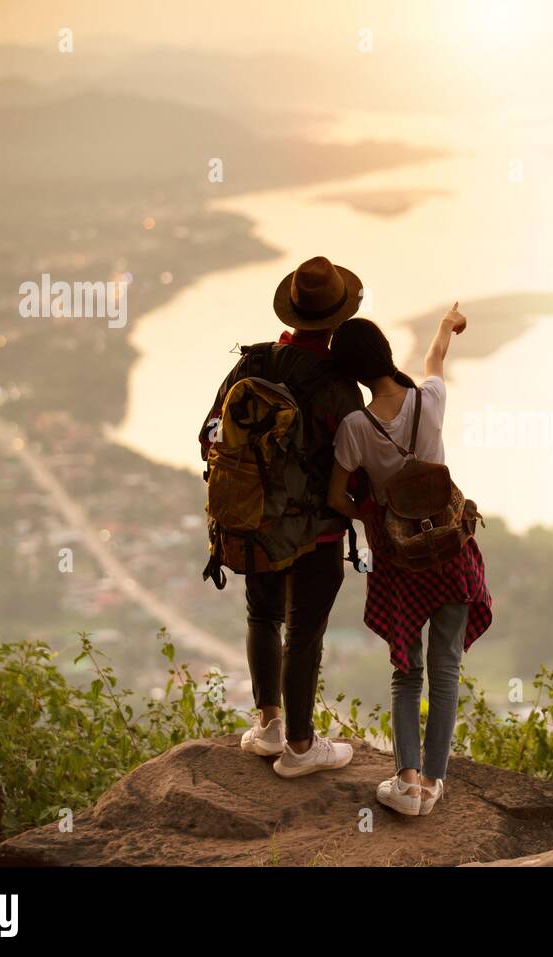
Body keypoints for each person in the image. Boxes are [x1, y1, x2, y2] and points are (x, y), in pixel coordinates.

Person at [198, 256, 364, 779]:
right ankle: (299, 747)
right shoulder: (339, 386)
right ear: (336, 321)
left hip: (254, 524)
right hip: (315, 533)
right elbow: (352, 468)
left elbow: (208, 435)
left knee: (261, 616)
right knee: (305, 633)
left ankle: (268, 726)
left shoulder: (253, 364)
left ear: (293, 313)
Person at [326, 306, 493, 817]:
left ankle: (406, 780)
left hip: (400, 561)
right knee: (447, 669)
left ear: (352, 372)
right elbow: (436, 357)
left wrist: (373, 516)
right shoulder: (429, 401)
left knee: (407, 670)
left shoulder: (356, 426)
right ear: (385, 352)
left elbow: (336, 499)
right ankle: (435, 783)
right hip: (448, 551)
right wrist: (447, 325)